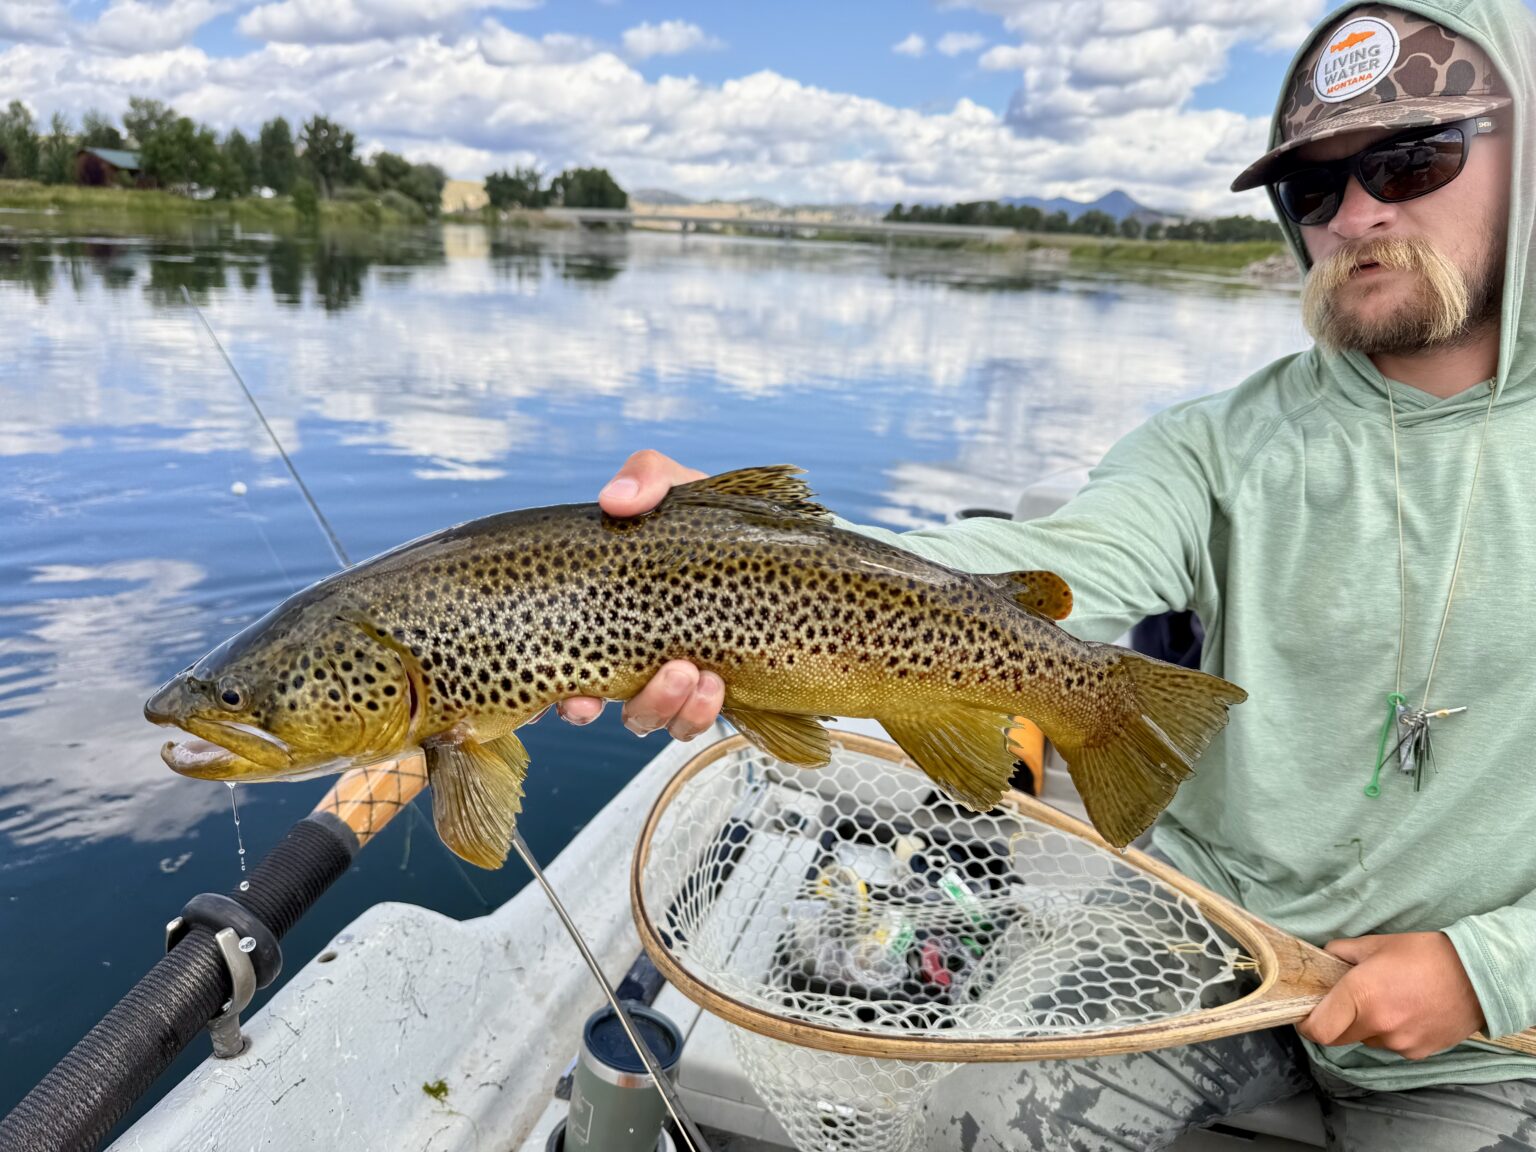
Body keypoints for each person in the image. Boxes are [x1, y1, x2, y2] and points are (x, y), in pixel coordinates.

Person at [561, 1, 1536, 1146]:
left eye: (1409, 157)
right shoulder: (1213, 444)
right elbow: (1045, 564)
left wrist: (1488, 970)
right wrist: (742, 560)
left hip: (1483, 1042)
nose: (1358, 211)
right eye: (1312, 188)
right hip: (1195, 930)